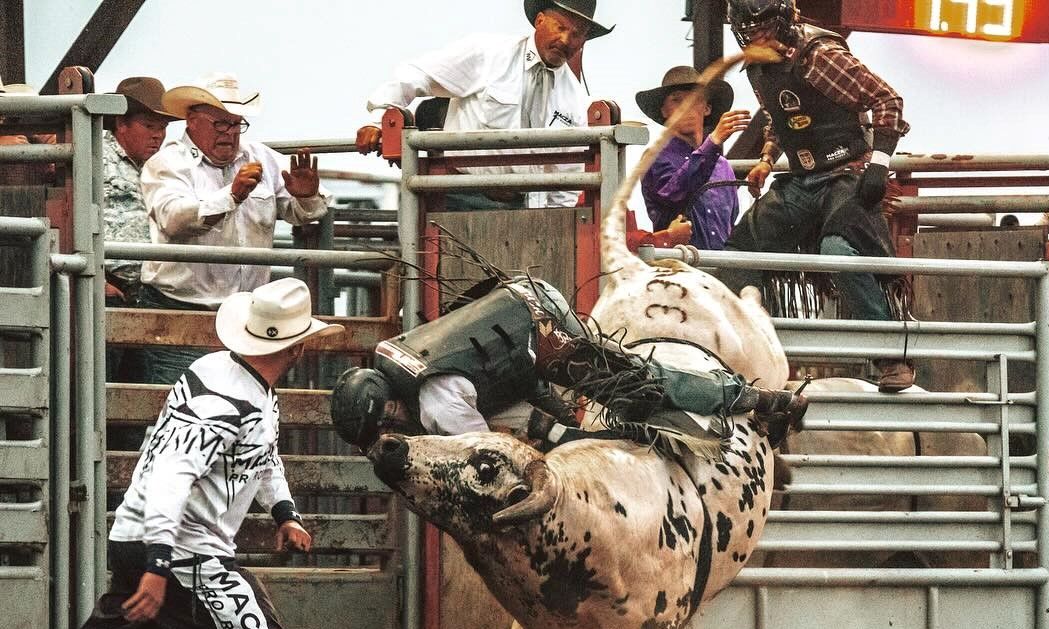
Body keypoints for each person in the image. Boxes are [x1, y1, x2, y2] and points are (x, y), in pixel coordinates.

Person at [0, 278, 342, 629]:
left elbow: (262, 453)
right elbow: (170, 479)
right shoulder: (227, 403)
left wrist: (283, 511)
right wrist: (161, 565)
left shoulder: (221, 374)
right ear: (297, 348)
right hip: (182, 550)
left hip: (146, 542)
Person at [330, 273, 808, 450]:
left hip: (538, 330)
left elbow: (488, 456)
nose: (389, 438)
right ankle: (611, 440)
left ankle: (758, 398)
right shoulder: (397, 358)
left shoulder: (435, 402)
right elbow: (498, 396)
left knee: (637, 385)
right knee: (556, 430)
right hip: (515, 337)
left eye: (382, 428)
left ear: (385, 407)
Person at [721, 0, 915, 392]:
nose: (755, 38)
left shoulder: (819, 56)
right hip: (802, 179)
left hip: (847, 173)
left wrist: (878, 163)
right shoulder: (759, 68)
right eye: (748, 31)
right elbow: (779, 119)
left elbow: (887, 101)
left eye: (761, 29)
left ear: (779, 22)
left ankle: (892, 353)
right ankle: (742, 349)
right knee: (737, 252)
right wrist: (765, 158)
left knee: (838, 252)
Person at [140, 73, 326, 385]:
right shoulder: (167, 163)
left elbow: (300, 213)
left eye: (236, 124)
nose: (230, 133)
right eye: (220, 124)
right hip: (182, 311)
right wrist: (231, 196)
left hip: (245, 316)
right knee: (173, 406)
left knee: (241, 403)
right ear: (192, 121)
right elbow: (172, 218)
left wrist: (306, 194)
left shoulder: (261, 157)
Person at [356, 0, 611, 211]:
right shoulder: (488, 54)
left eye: (576, 34)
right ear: (540, 21)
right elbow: (416, 75)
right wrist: (379, 120)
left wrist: (556, 223)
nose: (566, 39)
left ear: (584, 41)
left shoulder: (575, 100)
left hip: (521, 206)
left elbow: (566, 178)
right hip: (458, 196)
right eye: (561, 27)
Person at [636, 65, 749, 252]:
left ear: (707, 108)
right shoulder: (654, 157)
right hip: (679, 270)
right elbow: (673, 195)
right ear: (664, 111)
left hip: (721, 270)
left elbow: (730, 223)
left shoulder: (723, 167)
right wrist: (712, 142)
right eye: (676, 100)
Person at [104, 77, 181, 310]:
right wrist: (95, 280)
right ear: (121, 124)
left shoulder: (164, 165)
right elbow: (68, 218)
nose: (158, 135)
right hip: (110, 285)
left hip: (154, 288)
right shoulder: (94, 157)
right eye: (149, 126)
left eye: (163, 127)